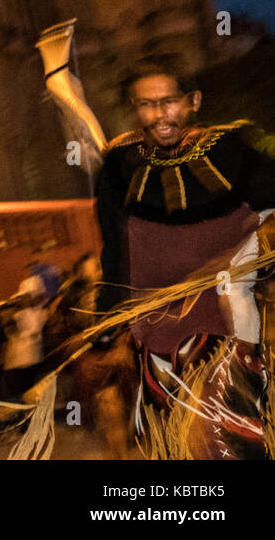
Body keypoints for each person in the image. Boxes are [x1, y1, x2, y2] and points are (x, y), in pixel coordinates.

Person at [94, 55, 275, 459]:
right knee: (175, 436)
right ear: (134, 109)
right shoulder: (118, 166)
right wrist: (107, 321)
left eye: (169, 101)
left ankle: (250, 388)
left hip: (225, 313)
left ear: (192, 100)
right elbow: (114, 247)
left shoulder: (229, 147)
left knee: (228, 431)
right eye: (146, 104)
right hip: (157, 322)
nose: (160, 114)